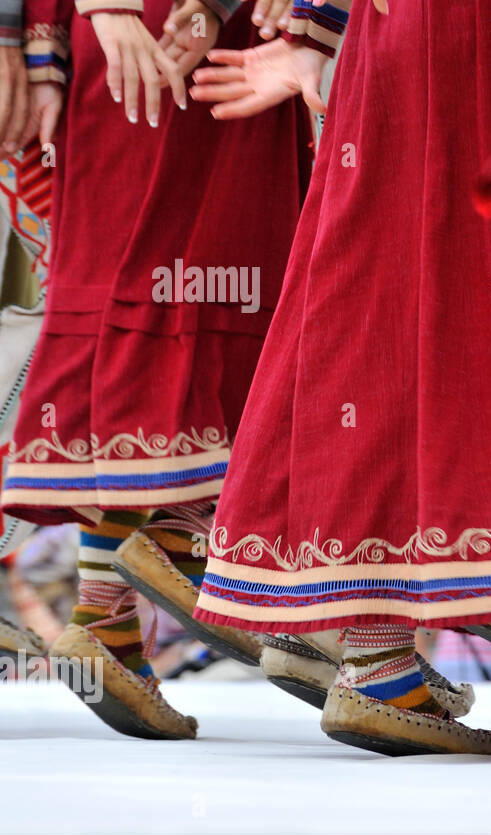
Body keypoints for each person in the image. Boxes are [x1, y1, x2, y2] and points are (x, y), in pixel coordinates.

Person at [185, 0, 491, 755]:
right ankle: (459, 604)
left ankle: (407, 634)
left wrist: (313, 28)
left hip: (438, 34)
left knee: (411, 300)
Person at [1, 0, 312, 738]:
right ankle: (185, 549)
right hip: (165, 34)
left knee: (166, 297)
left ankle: (111, 620)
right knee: (197, 296)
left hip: (177, 37)